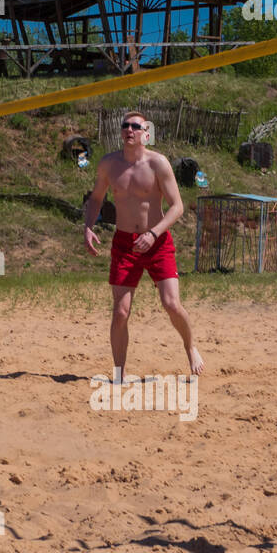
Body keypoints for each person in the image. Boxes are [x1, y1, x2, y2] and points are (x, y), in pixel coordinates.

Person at [83, 110, 205, 379]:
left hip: (157, 241)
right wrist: (89, 226)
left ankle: (190, 346)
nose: (129, 129)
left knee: (171, 303)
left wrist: (154, 232)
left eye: (135, 126)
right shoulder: (108, 164)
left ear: (146, 134)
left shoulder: (158, 163)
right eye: (125, 125)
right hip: (125, 244)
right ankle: (119, 373)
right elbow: (95, 199)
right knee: (120, 311)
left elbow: (178, 206)